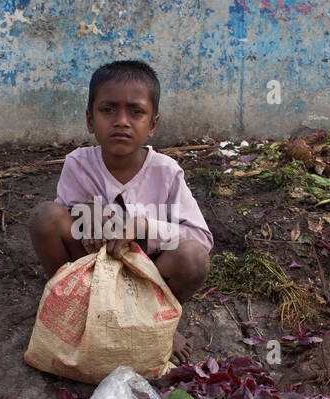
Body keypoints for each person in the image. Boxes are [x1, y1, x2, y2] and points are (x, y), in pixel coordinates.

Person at [28, 60, 212, 363]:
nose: (121, 121)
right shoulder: (78, 164)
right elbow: (62, 218)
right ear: (90, 120)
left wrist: (140, 227)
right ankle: (72, 307)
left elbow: (200, 237)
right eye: (108, 110)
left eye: (136, 112)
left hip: (148, 278)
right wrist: (89, 215)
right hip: (93, 272)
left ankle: (159, 321)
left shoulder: (166, 172)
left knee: (193, 257)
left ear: (152, 125)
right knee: (44, 217)